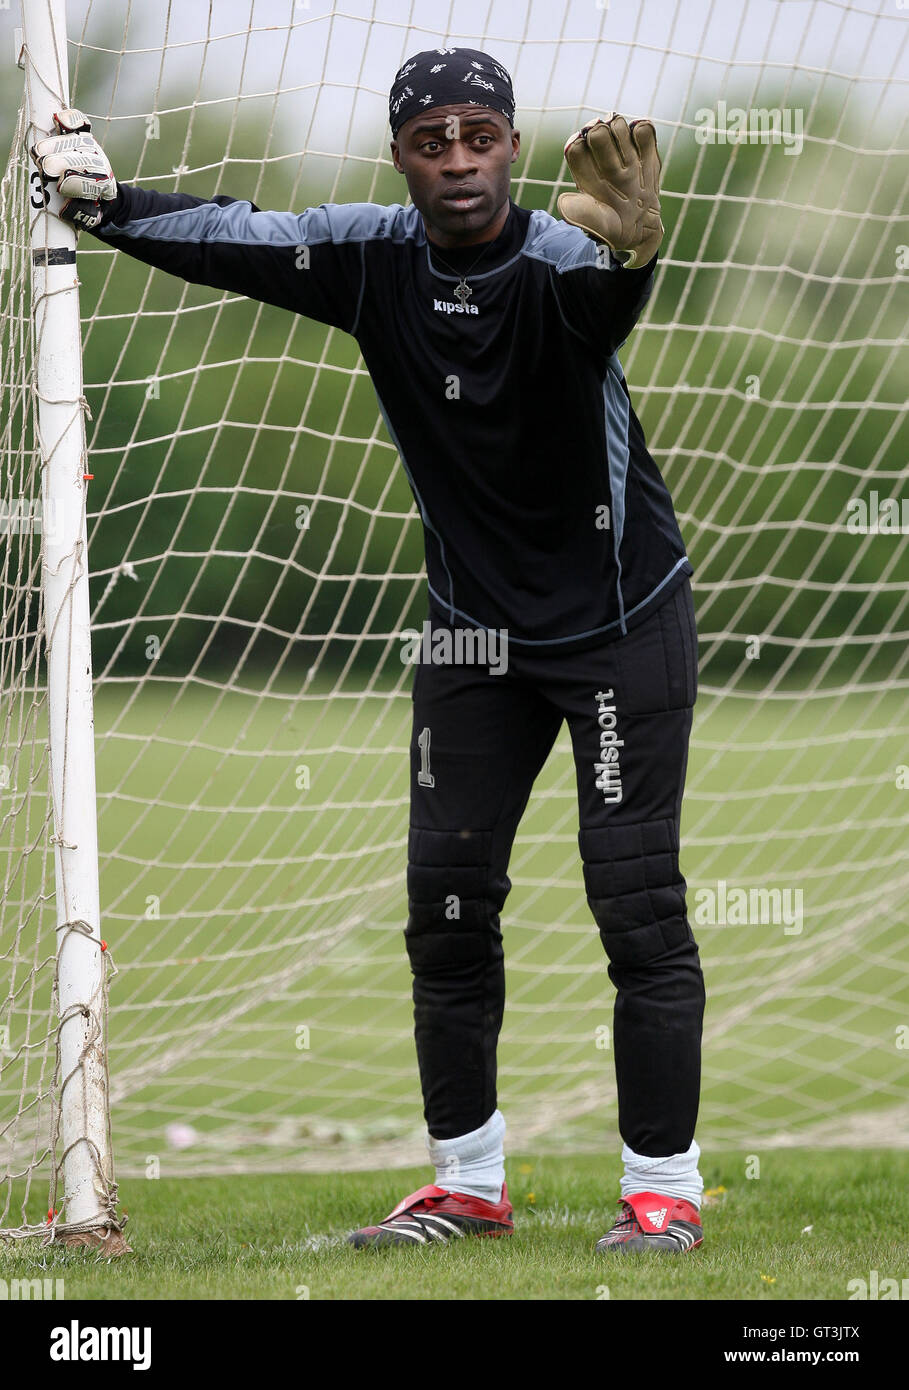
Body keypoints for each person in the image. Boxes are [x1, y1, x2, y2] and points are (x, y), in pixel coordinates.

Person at [32, 46, 706, 1256]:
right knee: (447, 909)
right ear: (401, 154)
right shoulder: (369, 256)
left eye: (481, 136)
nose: (459, 160)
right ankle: (468, 1184)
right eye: (432, 139)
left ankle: (663, 1192)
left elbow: (598, 317)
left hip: (618, 624)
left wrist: (636, 254)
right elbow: (235, 233)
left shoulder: (566, 257)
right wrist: (105, 201)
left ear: (510, 144)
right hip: (473, 632)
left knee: (638, 905)